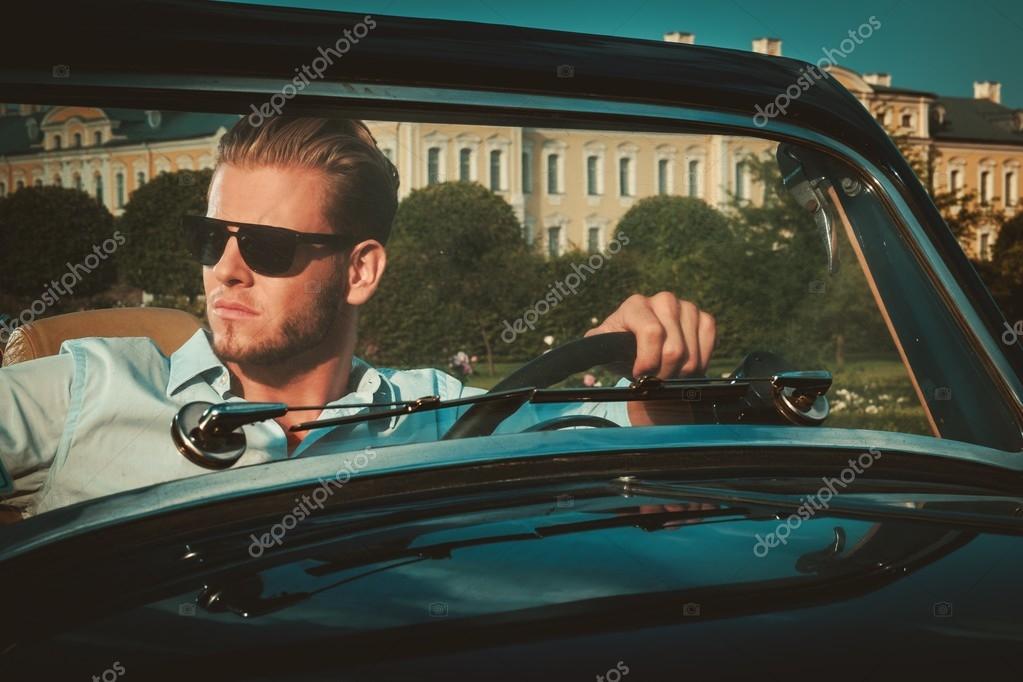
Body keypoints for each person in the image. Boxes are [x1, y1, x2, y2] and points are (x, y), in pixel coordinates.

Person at [0, 116, 716, 518]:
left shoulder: (436, 415)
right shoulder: (84, 387)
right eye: (210, 237)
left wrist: (651, 349)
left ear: (361, 270)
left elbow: (637, 468)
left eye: (268, 246)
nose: (225, 268)